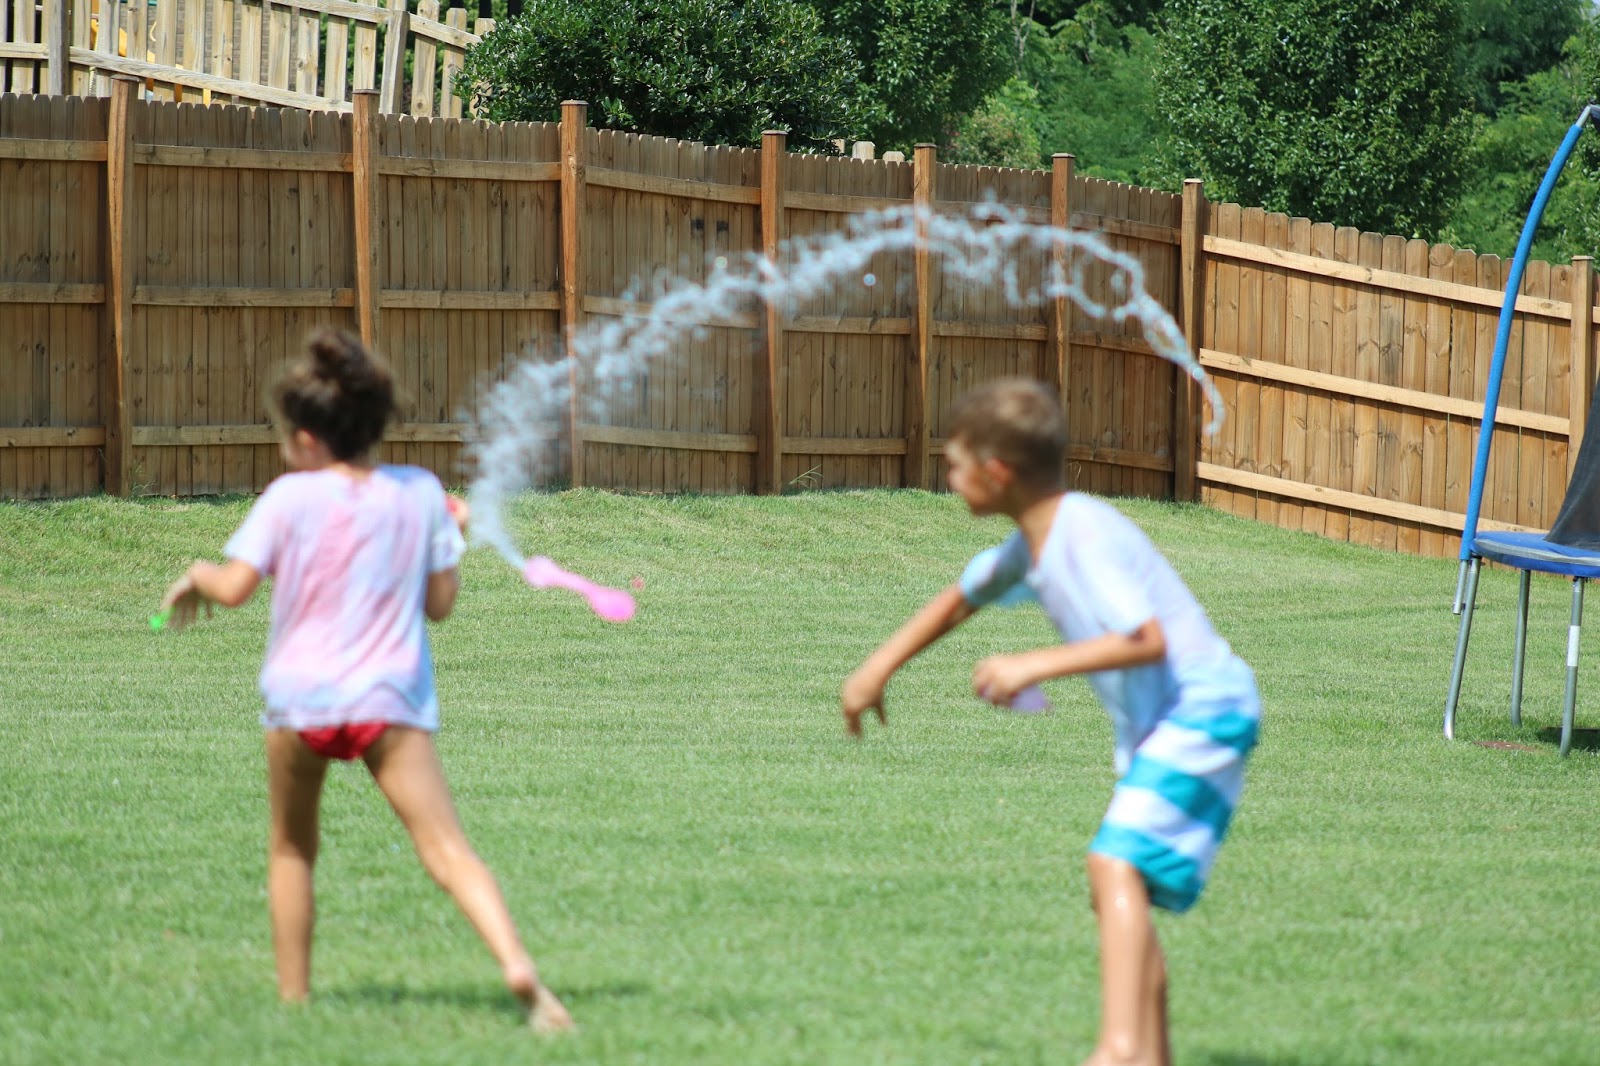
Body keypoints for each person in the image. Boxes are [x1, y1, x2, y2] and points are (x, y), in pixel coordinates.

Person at [158, 329, 572, 1033]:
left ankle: (294, 1003)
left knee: (292, 847)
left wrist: (194, 578)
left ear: (310, 441)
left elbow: (232, 590)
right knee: (446, 848)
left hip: (300, 701)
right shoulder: (420, 494)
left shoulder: (288, 497)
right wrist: (453, 538)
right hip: (390, 700)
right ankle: (515, 965)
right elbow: (440, 607)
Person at [841, 377, 1259, 1066]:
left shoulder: (1082, 536)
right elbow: (959, 599)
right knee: (1121, 896)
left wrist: (1032, 664)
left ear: (995, 472)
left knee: (1113, 864)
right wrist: (875, 670)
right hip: (1162, 724)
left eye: (953, 466)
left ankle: (1118, 1051)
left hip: (1202, 710)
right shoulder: (1031, 543)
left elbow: (1145, 637)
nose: (948, 480)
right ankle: (1147, 1055)